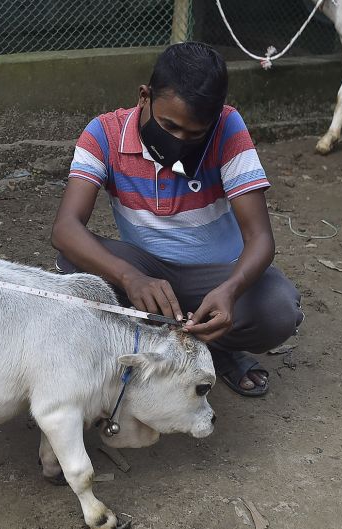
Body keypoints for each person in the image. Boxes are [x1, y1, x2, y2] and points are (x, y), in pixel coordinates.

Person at [51, 42, 302, 397]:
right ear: (144, 97)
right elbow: (65, 228)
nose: (179, 140)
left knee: (277, 310)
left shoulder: (228, 127)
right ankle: (160, 340)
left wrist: (229, 291)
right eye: (169, 125)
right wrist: (131, 277)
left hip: (217, 274)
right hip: (146, 270)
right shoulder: (103, 134)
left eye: (195, 133)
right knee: (73, 260)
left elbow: (260, 238)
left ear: (214, 119)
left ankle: (216, 347)